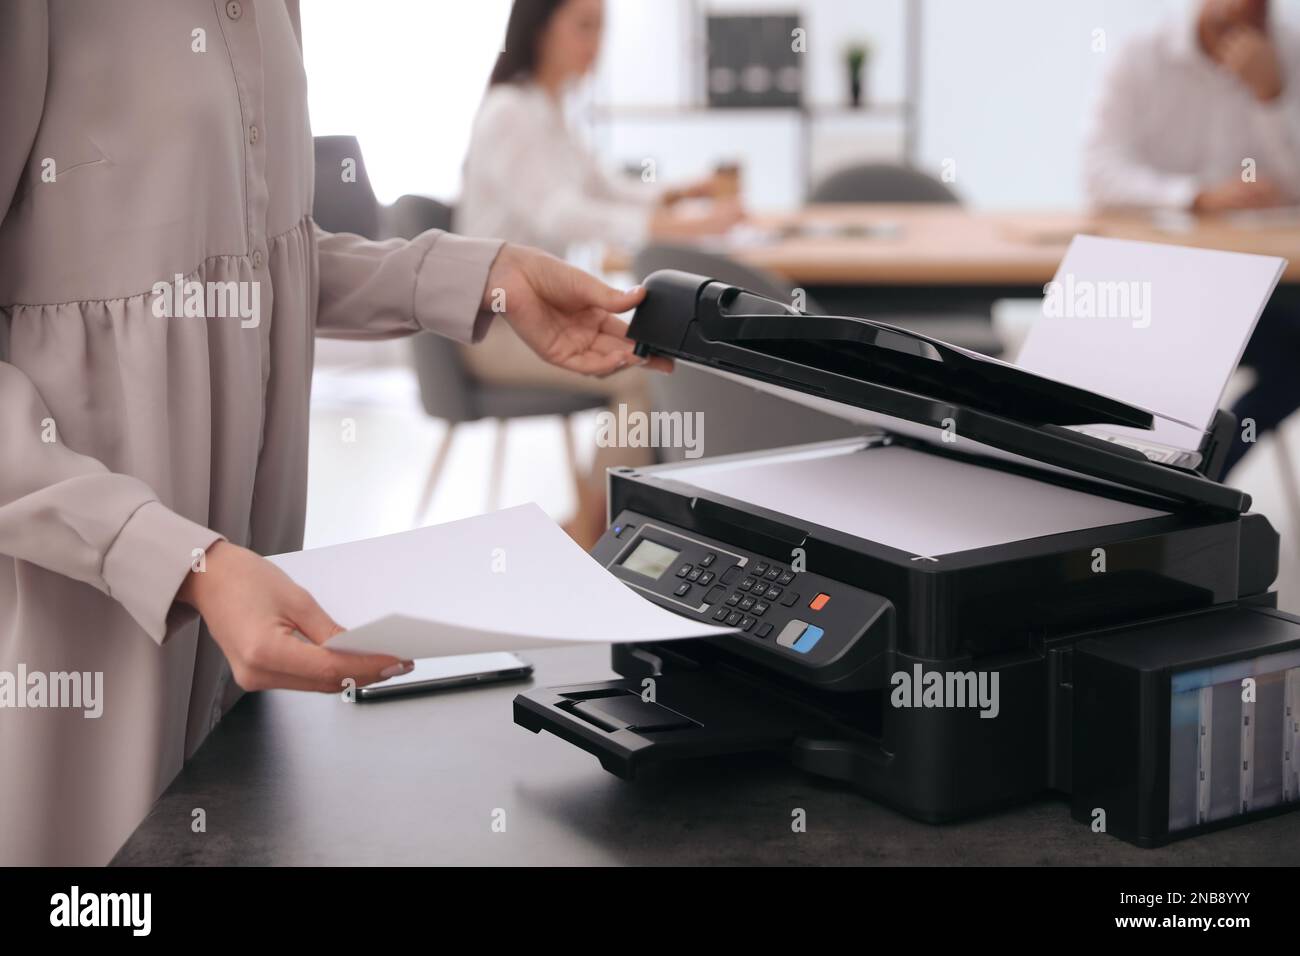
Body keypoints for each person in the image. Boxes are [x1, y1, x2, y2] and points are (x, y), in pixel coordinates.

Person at [0, 0, 667, 865]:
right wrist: (178, 560)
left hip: (248, 607)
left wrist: (484, 275)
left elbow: (266, 260)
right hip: (79, 620)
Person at [456, 0, 743, 546]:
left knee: (653, 362)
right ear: (540, 29)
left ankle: (591, 524)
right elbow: (561, 211)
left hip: (532, 317)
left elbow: (604, 186)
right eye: (583, 27)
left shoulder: (550, 108)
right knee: (642, 373)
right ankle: (600, 535)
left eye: (601, 29)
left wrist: (682, 193)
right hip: (492, 331)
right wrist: (675, 224)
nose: (596, 43)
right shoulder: (510, 112)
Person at [1083, 0, 1300, 474]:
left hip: (1262, 287)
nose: (1254, 15)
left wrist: (1271, 97)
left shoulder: (1287, 51)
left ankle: (1198, 474)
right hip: (1159, 284)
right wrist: (1196, 196)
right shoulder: (1143, 55)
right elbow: (1099, 173)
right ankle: (1170, 476)